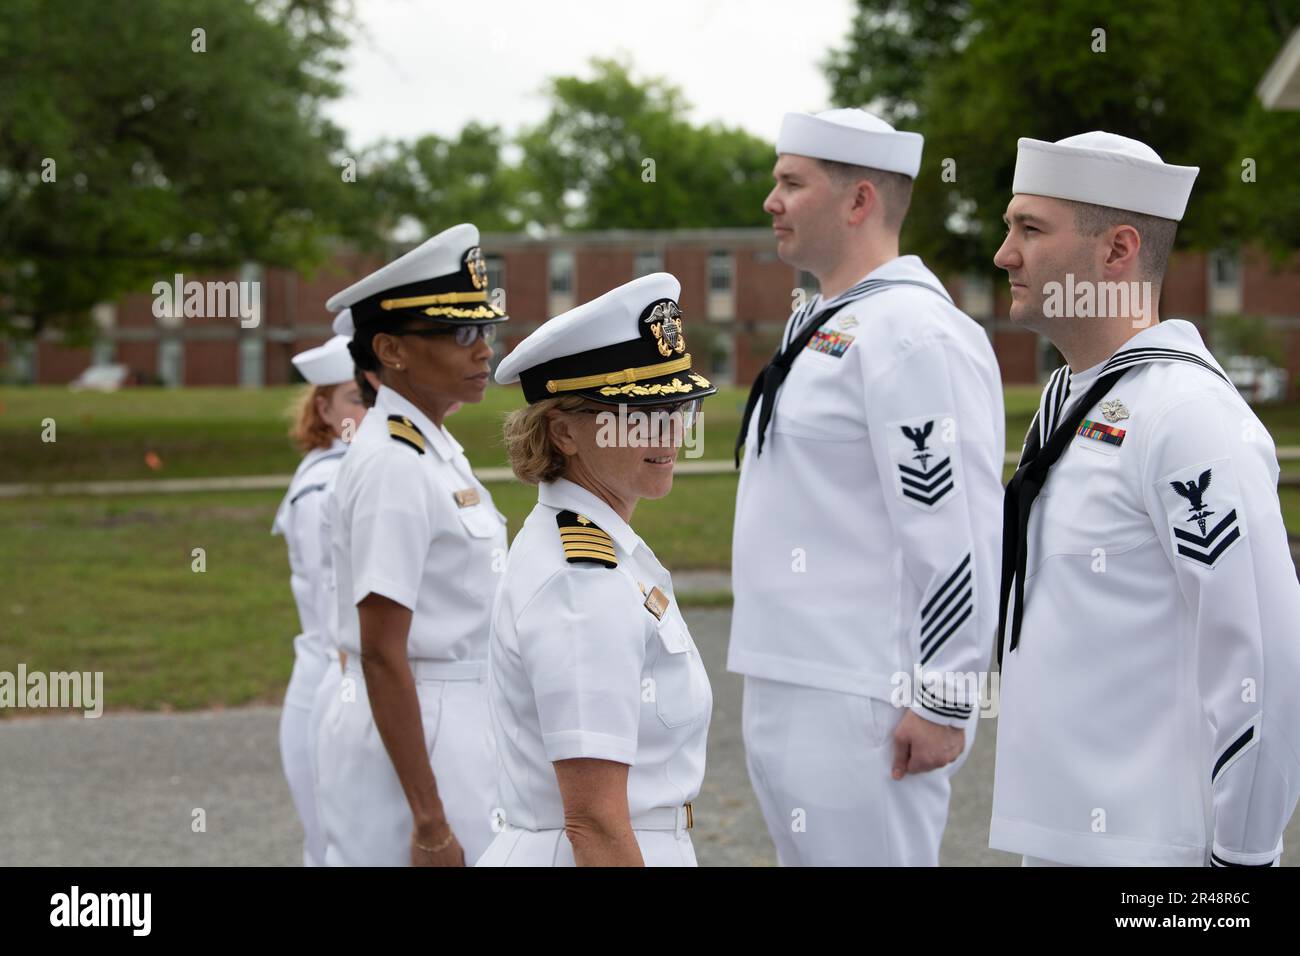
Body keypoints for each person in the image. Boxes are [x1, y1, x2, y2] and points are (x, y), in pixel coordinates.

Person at [991, 131, 1300, 866]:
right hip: (1067, 839)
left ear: (1117, 250)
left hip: (1155, 857)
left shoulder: (1187, 414)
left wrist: (1243, 860)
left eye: (1030, 228)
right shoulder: (1076, 396)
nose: (1005, 254)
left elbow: (1267, 654)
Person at [727, 108, 1006, 866]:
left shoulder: (915, 333)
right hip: (785, 671)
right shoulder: (818, 324)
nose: (770, 200)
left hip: (863, 690)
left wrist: (946, 695)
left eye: (791, 182)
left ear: (859, 202)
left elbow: (956, 528)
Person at [479, 273, 715, 866]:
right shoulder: (581, 581)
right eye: (640, 411)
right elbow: (595, 822)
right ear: (563, 430)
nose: (671, 430)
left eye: (679, 404)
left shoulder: (598, 551)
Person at [317, 223, 509, 866]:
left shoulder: (430, 448)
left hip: (453, 714)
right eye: (459, 334)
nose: (483, 350)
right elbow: (380, 651)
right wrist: (429, 822)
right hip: (419, 723)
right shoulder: (395, 464)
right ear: (391, 350)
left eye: (483, 330)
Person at [273, 331, 367, 866]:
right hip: (332, 682)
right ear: (324, 408)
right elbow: (338, 609)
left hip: (353, 678)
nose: (368, 409)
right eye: (355, 398)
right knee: (335, 850)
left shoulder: (359, 469)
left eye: (371, 394)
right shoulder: (322, 490)